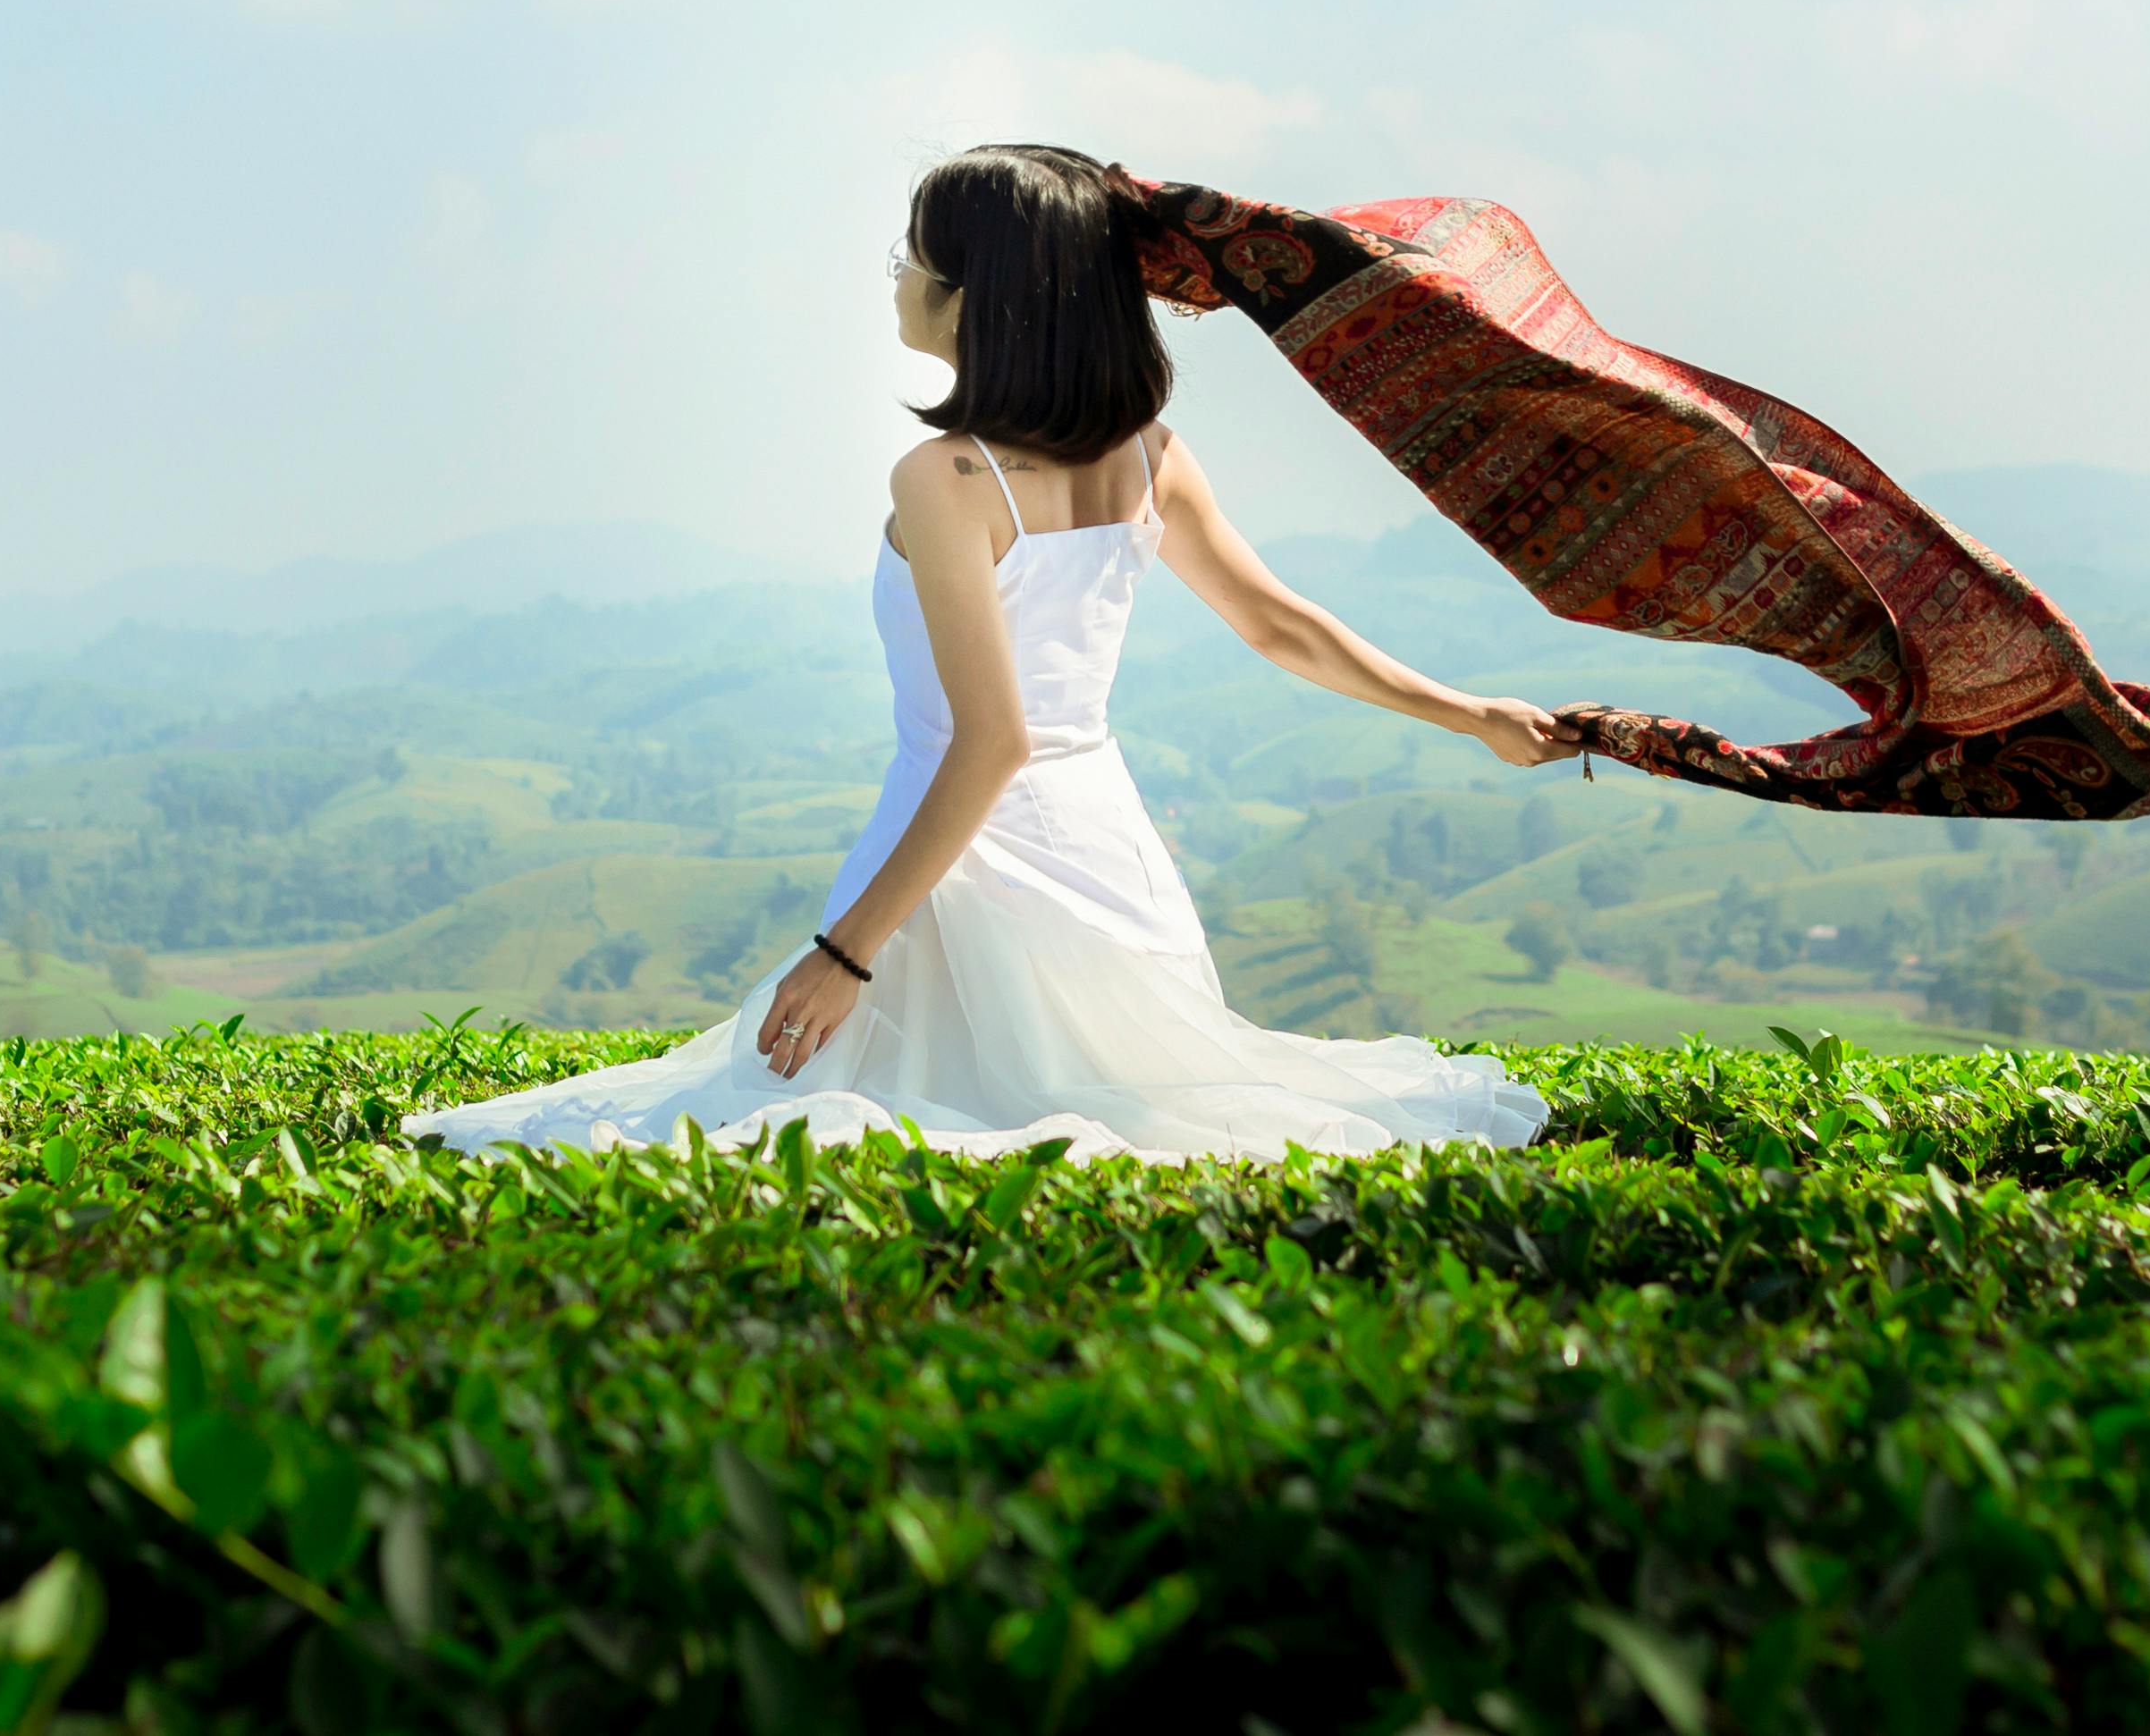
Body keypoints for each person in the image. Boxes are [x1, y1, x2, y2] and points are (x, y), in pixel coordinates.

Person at [406, 143, 1580, 1165]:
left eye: (913, 257)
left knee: (848, 1118)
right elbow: (1283, 627)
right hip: (1111, 862)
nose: (898, 277)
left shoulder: (943, 479)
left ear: (977, 300)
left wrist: (843, 954)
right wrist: (1470, 712)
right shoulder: (1148, 454)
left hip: (957, 863)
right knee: (1140, 1106)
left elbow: (993, 739)